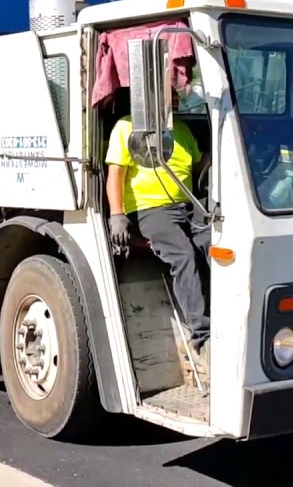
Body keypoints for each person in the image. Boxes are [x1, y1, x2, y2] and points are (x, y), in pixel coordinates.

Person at [105, 91, 212, 378]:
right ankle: (203, 336)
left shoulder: (182, 129)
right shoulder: (127, 127)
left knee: (213, 245)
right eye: (169, 96)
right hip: (150, 209)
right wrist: (117, 215)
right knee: (184, 255)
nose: (176, 100)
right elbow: (115, 174)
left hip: (188, 203)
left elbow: (199, 165)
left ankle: (220, 319)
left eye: (176, 95)